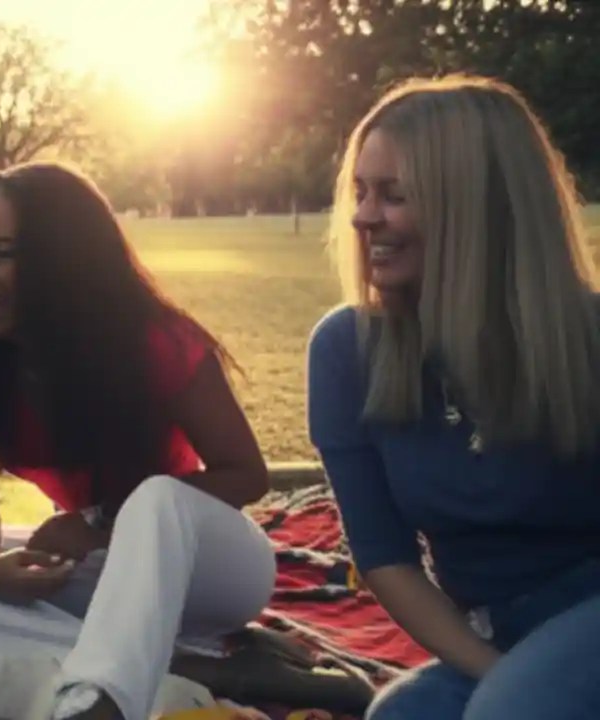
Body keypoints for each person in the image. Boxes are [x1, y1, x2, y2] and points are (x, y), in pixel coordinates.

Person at [0, 162, 277, 720]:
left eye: (2, 254)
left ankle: (98, 705)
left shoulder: (155, 340)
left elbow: (246, 474)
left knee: (157, 497)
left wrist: (95, 523)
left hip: (210, 571)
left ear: (62, 262)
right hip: (108, 577)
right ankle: (173, 671)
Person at [308, 75, 600, 720]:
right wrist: (499, 673)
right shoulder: (345, 352)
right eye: (359, 192)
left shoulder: (586, 339)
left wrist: (524, 689)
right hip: (493, 635)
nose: (362, 217)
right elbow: (386, 558)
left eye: (393, 195)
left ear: (473, 206)